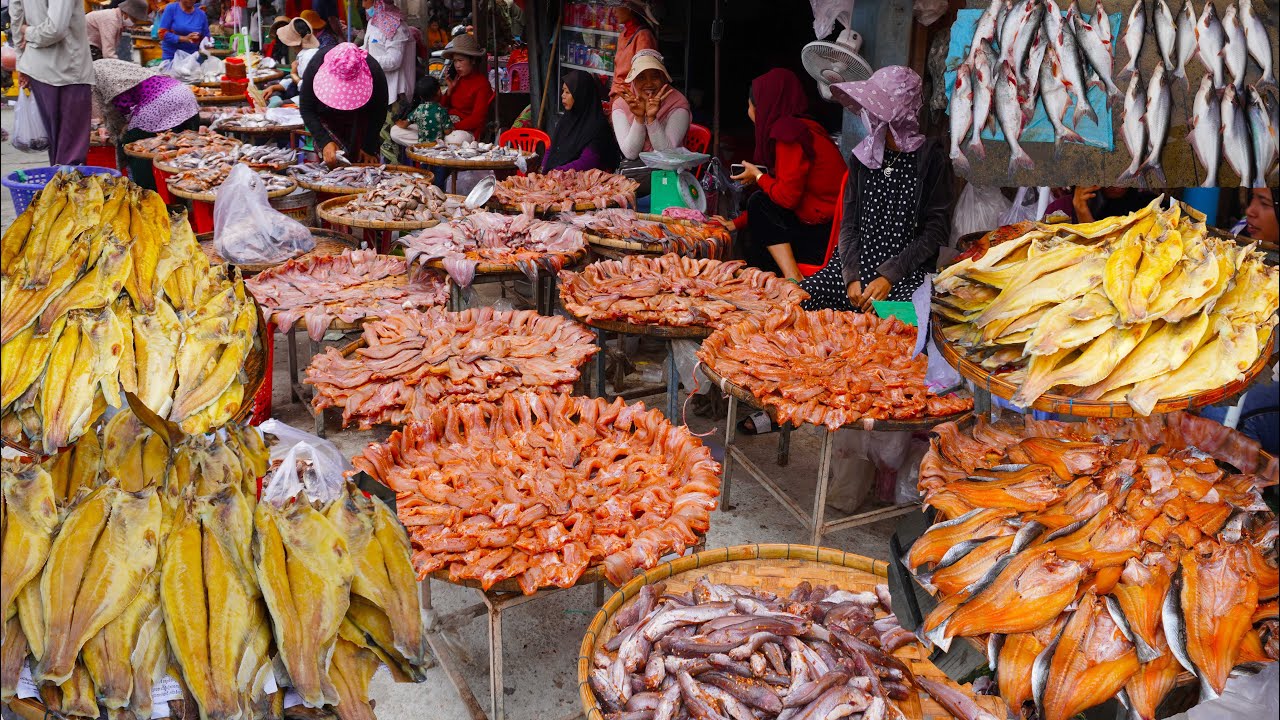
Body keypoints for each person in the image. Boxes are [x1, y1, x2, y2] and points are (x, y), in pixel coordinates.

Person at [801, 66, 953, 312]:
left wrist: (888, 277)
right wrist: (851, 276)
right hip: (854, 268)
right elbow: (849, 225)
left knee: (908, 319)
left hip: (905, 273)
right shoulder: (862, 157)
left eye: (880, 108)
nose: (872, 115)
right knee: (798, 299)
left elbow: (936, 232)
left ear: (903, 112)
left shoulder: (931, 159)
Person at [731, 68, 844, 282]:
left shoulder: (788, 134)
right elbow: (784, 195)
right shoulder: (803, 126)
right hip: (826, 227)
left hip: (822, 235)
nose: (748, 111)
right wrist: (736, 224)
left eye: (750, 104)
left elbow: (786, 198)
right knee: (761, 207)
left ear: (763, 105)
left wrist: (757, 176)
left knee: (758, 204)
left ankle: (794, 279)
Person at [11, 0, 96, 165]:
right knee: (71, 151)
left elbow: (16, 20)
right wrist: (28, 32)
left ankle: (57, 187)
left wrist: (21, 61)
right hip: (67, 70)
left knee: (57, 144)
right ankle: (66, 188)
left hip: (37, 67)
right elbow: (55, 29)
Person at [92, 58, 199, 190]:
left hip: (161, 101)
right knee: (182, 147)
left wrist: (117, 134)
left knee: (134, 146)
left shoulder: (94, 75)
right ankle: (179, 192)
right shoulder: (110, 65)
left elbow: (115, 109)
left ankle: (147, 191)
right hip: (182, 92)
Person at [300, 41, 388, 167]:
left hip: (362, 120)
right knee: (332, 166)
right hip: (328, 118)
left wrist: (368, 147)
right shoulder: (317, 64)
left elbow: (379, 113)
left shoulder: (374, 71)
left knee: (366, 168)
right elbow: (306, 108)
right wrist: (324, 141)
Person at [611, 50, 689, 160]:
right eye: (641, 77)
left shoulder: (677, 103)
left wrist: (651, 119)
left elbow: (667, 154)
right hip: (635, 172)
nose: (648, 84)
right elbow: (630, 154)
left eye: (654, 77)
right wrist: (639, 118)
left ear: (663, 78)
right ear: (633, 80)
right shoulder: (621, 105)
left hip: (669, 173)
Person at [543, 70, 620, 172]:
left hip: (583, 181)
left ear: (580, 94)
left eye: (567, 92)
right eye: (563, 91)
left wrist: (557, 172)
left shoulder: (597, 127)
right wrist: (544, 166)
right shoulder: (566, 120)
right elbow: (552, 148)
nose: (562, 95)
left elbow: (588, 162)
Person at [441, 32, 495, 138]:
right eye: (455, 61)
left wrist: (453, 127)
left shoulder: (482, 84)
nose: (457, 65)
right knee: (399, 131)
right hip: (449, 124)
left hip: (465, 130)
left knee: (453, 139)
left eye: (460, 61)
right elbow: (442, 107)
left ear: (473, 60)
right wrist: (449, 90)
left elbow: (476, 119)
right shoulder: (457, 79)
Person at [361, 0, 413, 105]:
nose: (363, 4)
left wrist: (367, 59)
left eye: (366, 0)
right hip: (377, 86)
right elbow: (367, 47)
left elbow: (394, 60)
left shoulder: (396, 27)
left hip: (394, 92)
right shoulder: (372, 22)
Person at [263, 16, 320, 106]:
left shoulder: (308, 56)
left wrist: (293, 74)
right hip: (299, 91)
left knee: (275, 106)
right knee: (271, 88)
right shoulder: (304, 53)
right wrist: (273, 87)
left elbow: (308, 88)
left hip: (310, 100)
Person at [609, 0, 657, 101]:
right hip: (617, 96)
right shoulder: (623, 34)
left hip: (631, 100)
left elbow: (644, 77)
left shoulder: (643, 36)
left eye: (617, 6)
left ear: (630, 8)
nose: (613, 11)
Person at [395, 75, 453, 144]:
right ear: (439, 92)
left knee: (395, 131)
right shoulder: (441, 111)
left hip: (422, 146)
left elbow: (404, 125)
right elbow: (447, 131)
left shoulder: (418, 110)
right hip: (438, 147)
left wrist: (397, 121)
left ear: (421, 97)